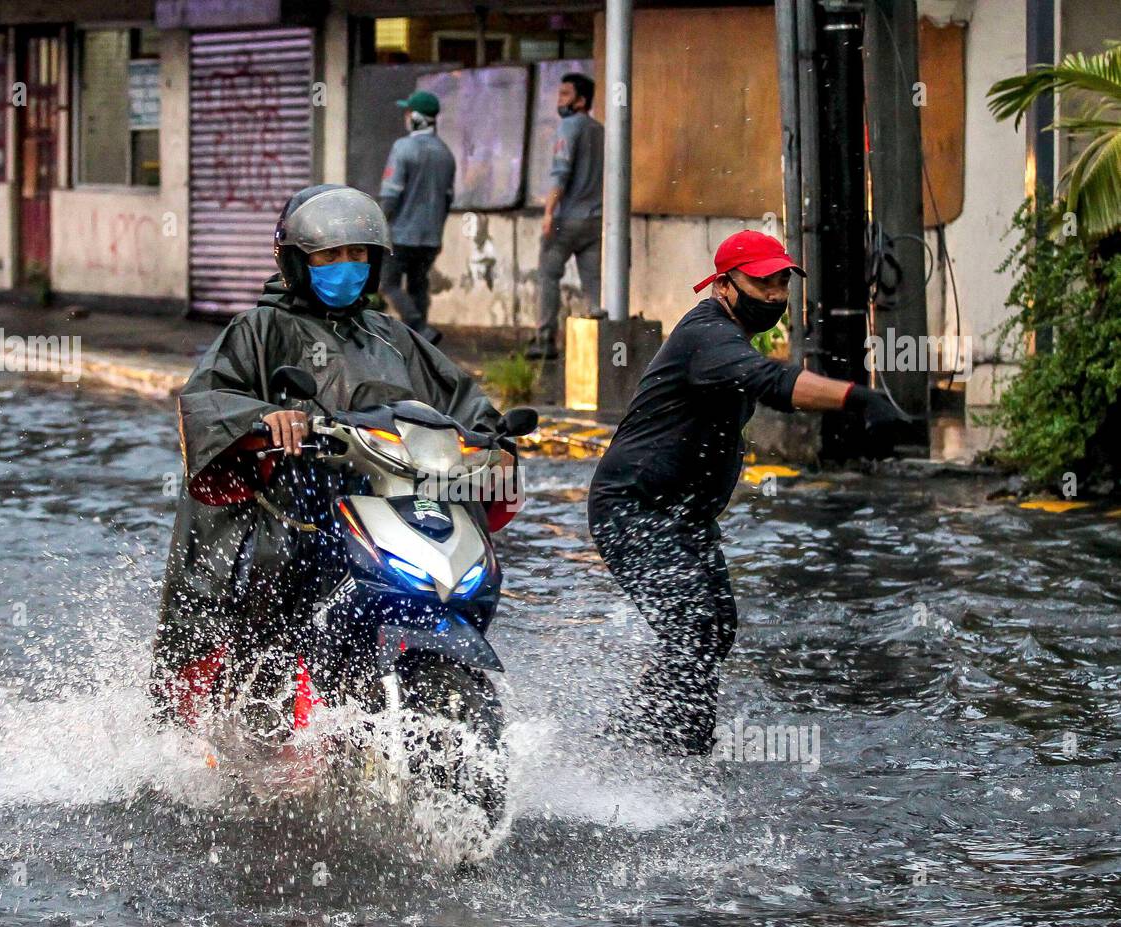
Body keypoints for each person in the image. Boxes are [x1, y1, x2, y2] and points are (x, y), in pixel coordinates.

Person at [152, 184, 514, 722]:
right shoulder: (258, 330)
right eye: (329, 256)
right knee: (276, 585)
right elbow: (209, 404)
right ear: (298, 263)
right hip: (293, 520)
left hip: (388, 508)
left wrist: (496, 446)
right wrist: (263, 420)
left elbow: (462, 404)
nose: (345, 266)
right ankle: (258, 708)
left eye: (357, 255)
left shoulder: (394, 338)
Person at [587, 230, 911, 755]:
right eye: (763, 283)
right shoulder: (707, 336)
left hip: (683, 516)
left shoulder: (729, 334)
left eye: (783, 281)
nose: (776, 296)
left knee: (714, 626)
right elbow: (771, 382)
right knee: (692, 628)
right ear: (723, 285)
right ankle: (657, 753)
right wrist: (858, 399)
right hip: (633, 508)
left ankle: (646, 741)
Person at [529, 73, 604, 361]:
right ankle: (597, 348)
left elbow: (561, 173)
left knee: (548, 276)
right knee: (593, 286)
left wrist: (549, 212)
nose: (558, 100)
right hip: (595, 219)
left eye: (565, 95)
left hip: (567, 218)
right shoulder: (601, 132)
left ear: (581, 101)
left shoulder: (568, 128)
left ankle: (545, 340)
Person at [378, 90, 456, 345]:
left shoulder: (403, 148)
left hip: (401, 234)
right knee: (418, 286)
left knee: (387, 284)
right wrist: (438, 234)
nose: (406, 117)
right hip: (430, 237)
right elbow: (446, 200)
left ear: (417, 118)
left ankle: (419, 327)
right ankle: (420, 343)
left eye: (408, 112)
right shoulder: (446, 154)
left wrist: (377, 225)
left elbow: (391, 195)